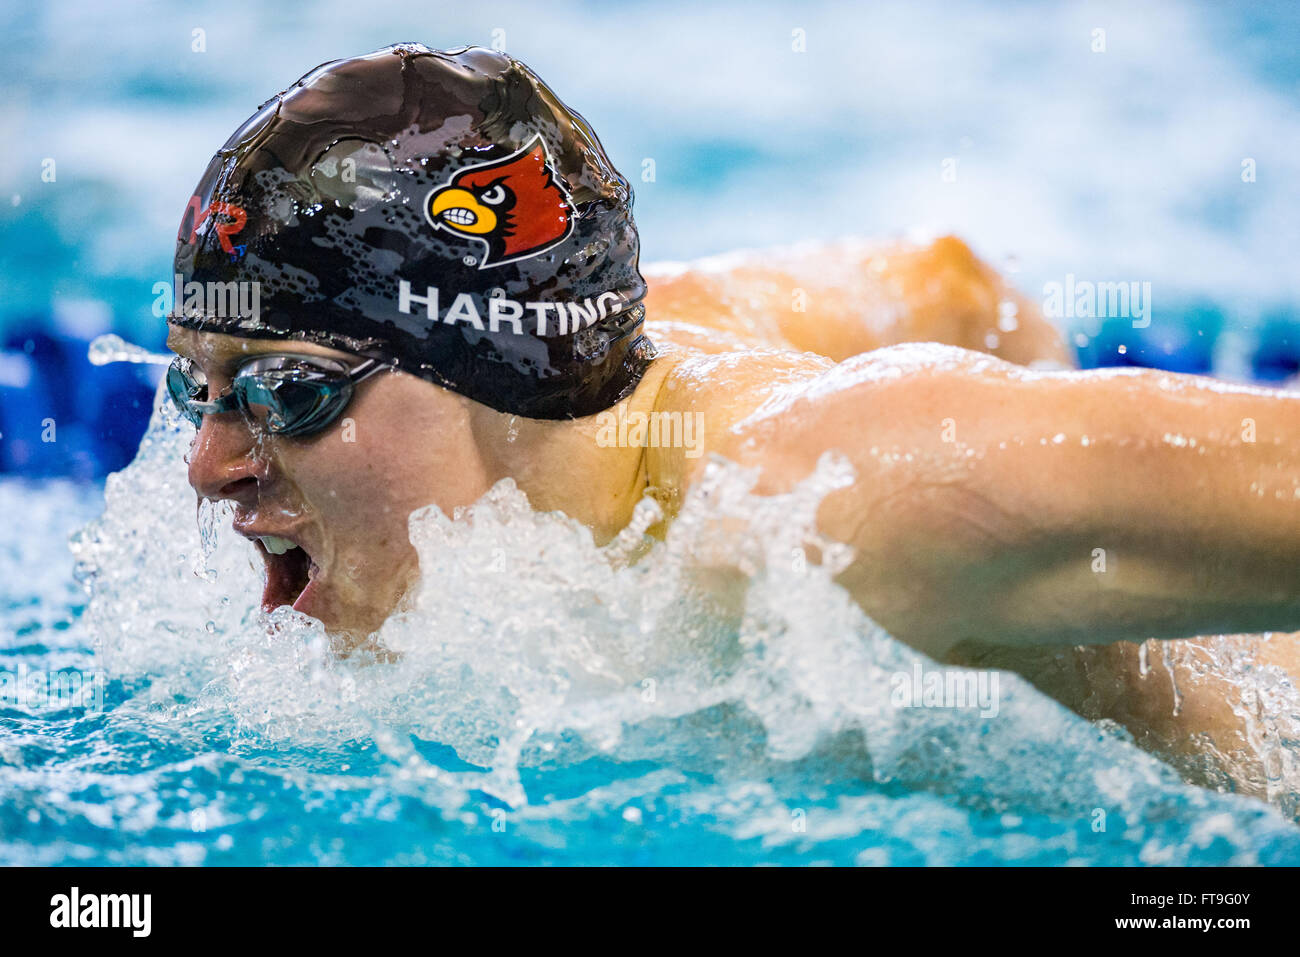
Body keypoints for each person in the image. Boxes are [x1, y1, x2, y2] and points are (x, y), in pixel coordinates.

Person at [166, 43, 1300, 795]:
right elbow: (947, 281)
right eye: (197, 388)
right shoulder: (639, 342)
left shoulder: (848, 499)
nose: (208, 465)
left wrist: (1054, 561)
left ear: (488, 374)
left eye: (285, 392)